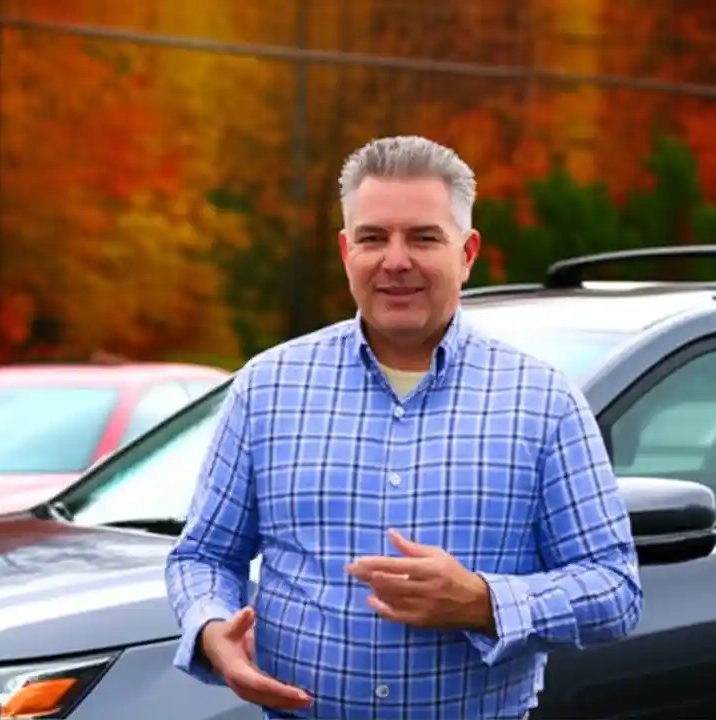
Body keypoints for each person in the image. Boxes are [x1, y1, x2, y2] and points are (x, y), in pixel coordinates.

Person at [165, 135, 642, 719]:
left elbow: (614, 590)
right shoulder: (267, 388)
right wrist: (214, 629)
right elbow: (204, 556)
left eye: (423, 237)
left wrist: (483, 602)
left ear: (467, 254)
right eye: (373, 238)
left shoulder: (542, 401)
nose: (395, 260)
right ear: (346, 251)